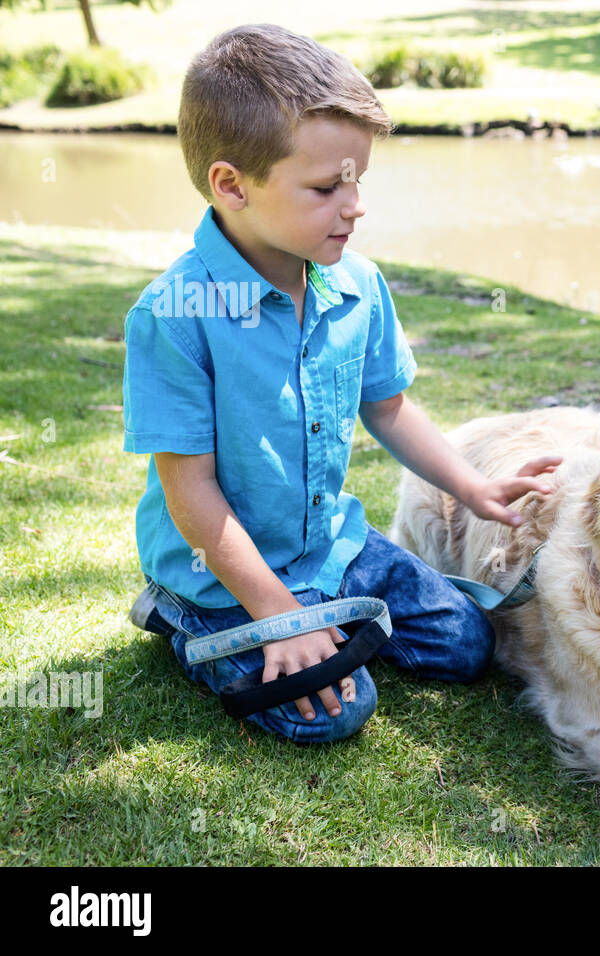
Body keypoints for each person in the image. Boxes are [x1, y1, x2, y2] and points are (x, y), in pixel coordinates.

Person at [123, 24, 559, 744]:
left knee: (465, 646)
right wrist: (277, 616)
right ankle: (184, 620)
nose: (354, 207)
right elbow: (189, 491)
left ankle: (324, 620)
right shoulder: (174, 314)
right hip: (222, 572)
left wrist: (472, 489)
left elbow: (387, 407)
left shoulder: (357, 284)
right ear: (231, 185)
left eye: (357, 181)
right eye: (327, 188)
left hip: (332, 549)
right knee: (339, 714)